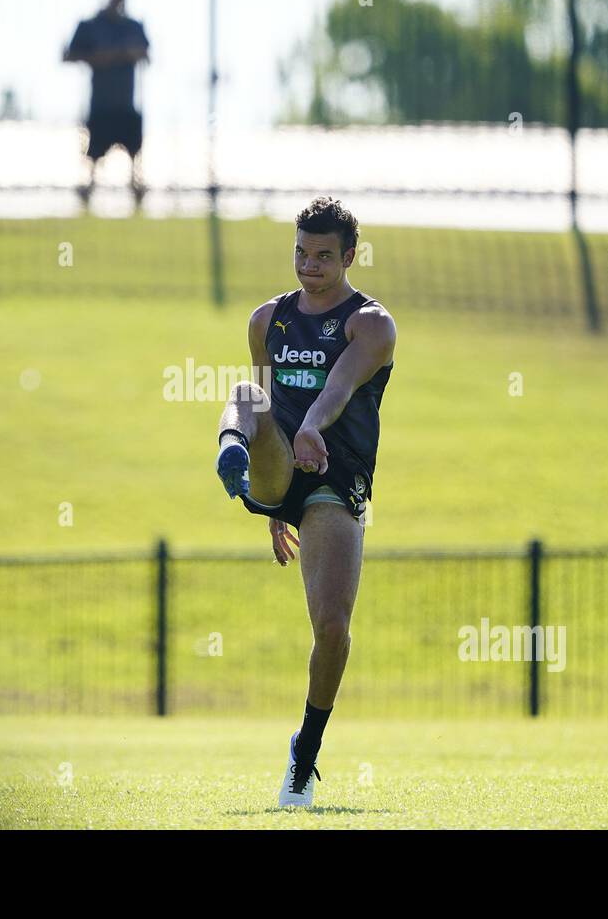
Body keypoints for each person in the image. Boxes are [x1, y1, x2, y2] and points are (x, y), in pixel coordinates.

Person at [215, 196, 396, 809]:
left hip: (334, 477)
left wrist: (314, 427)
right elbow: (267, 392)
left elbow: (341, 385)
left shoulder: (371, 324)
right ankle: (229, 448)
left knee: (333, 629)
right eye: (300, 252)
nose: (309, 266)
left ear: (348, 257)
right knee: (246, 393)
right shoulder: (267, 320)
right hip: (276, 462)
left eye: (323, 256)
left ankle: (305, 750)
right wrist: (270, 510)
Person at [63, 0, 149, 208]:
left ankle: (136, 191)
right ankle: (88, 191)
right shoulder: (92, 26)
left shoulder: (132, 27)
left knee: (134, 153)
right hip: (101, 104)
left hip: (125, 104)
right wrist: (98, 57)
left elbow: (146, 54)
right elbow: (70, 54)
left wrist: (128, 54)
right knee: (94, 153)